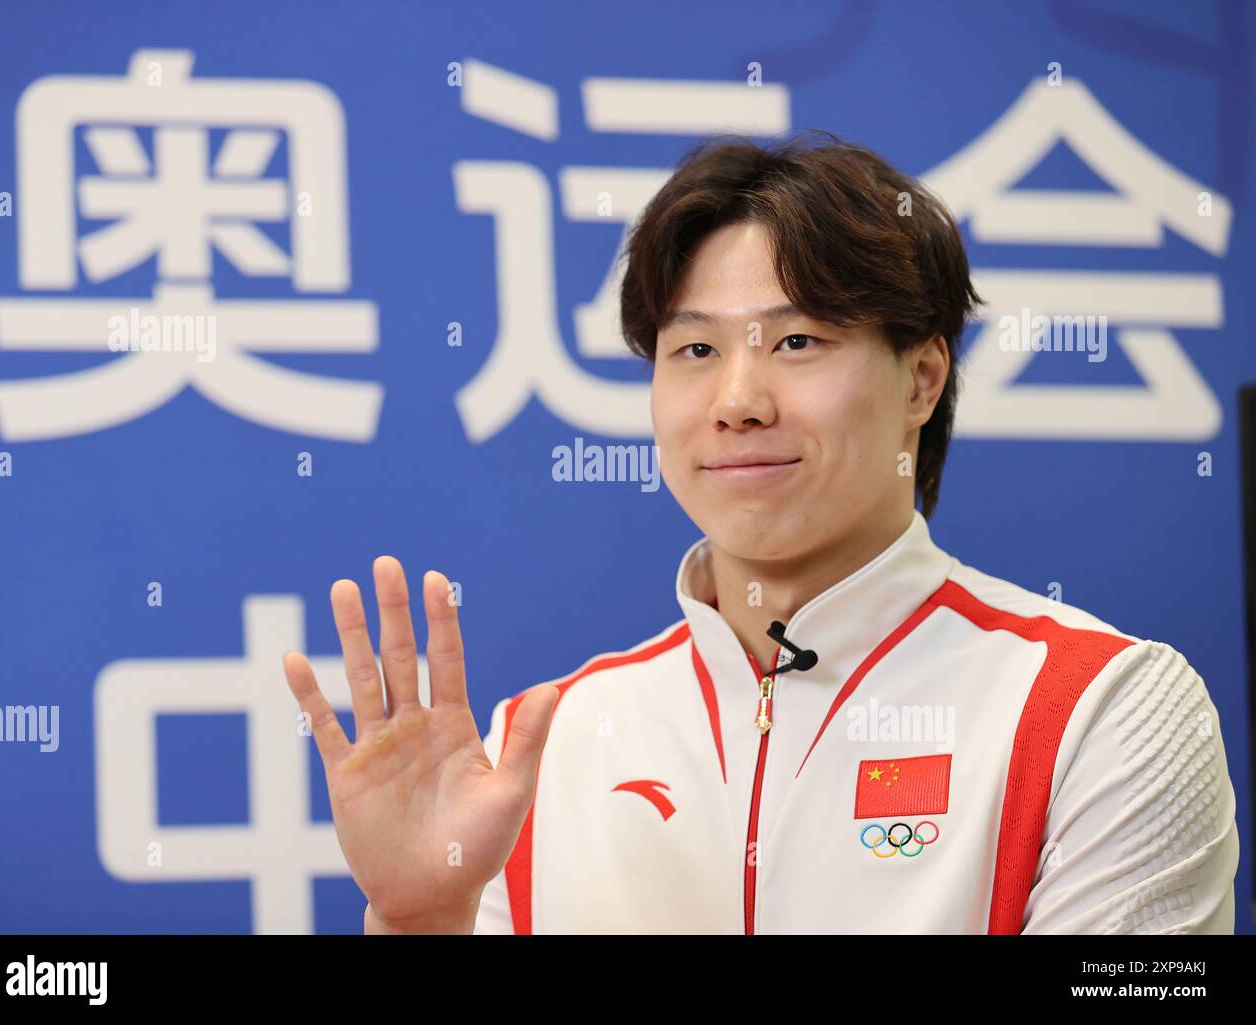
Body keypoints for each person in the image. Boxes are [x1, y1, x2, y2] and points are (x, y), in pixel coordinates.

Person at [282, 131, 1239, 934]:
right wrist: (418, 922)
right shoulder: (547, 743)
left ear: (922, 378)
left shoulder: (1103, 709)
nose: (737, 401)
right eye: (694, 349)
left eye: (798, 342)